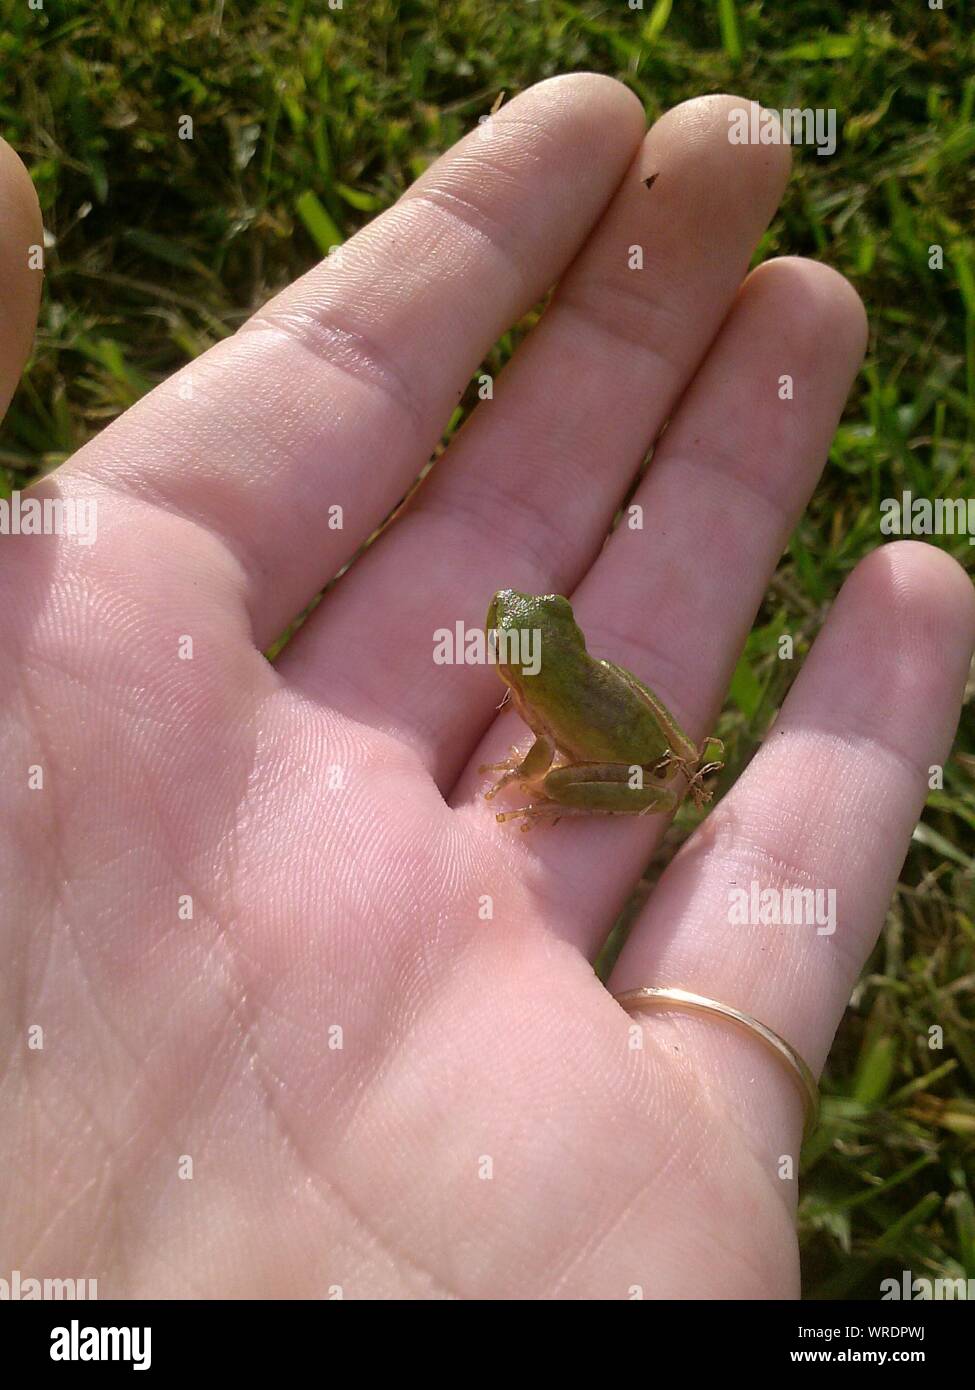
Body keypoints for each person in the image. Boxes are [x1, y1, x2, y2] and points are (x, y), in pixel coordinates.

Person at [1, 76, 971, 1299]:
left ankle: (654, 775)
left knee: (594, 769)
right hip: (624, 716)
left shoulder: (535, 698)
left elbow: (563, 748)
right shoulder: (541, 671)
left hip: (615, 742)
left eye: (522, 640)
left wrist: (537, 777)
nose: (505, 637)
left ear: (535, 653)